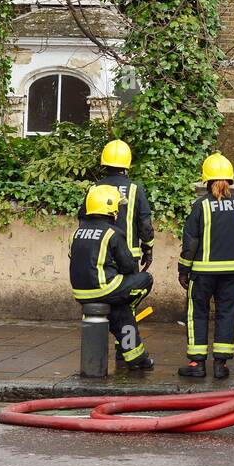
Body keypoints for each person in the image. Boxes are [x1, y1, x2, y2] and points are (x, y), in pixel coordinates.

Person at [177, 153, 234, 379]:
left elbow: (190, 241)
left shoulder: (200, 206)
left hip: (202, 274)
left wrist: (184, 269)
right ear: (229, 181)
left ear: (207, 181)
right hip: (232, 273)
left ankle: (197, 364)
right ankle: (220, 365)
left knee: (197, 314)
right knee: (227, 314)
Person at [69, 184, 154, 370]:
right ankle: (129, 304)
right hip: (105, 287)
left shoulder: (76, 233)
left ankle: (136, 358)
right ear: (110, 210)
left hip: (81, 292)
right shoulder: (112, 233)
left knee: (120, 315)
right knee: (145, 279)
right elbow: (129, 266)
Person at [87, 139, 156, 271]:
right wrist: (148, 249)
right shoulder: (135, 189)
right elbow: (145, 225)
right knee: (130, 290)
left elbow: (84, 223)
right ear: (127, 164)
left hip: (99, 255)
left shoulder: (94, 189)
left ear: (104, 163)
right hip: (128, 256)